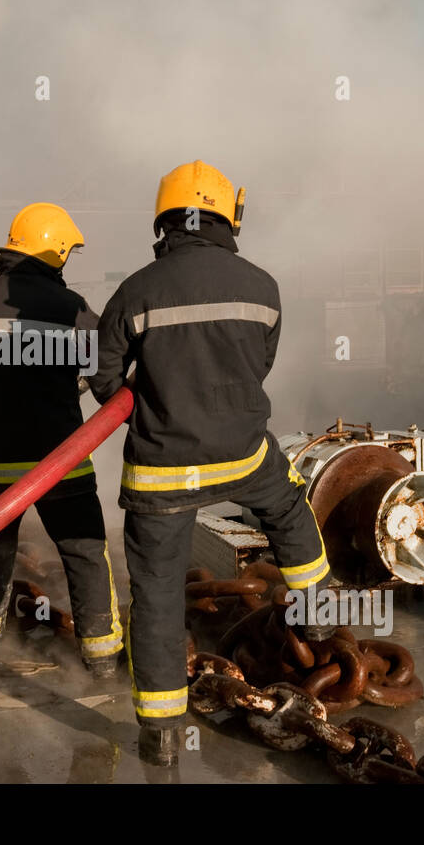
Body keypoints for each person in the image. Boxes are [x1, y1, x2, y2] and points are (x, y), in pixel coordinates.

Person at [90, 160, 335, 767]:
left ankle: (162, 731)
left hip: (163, 471)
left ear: (165, 219)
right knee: (289, 510)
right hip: (243, 454)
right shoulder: (263, 285)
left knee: (157, 593)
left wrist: (158, 393)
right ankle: (320, 620)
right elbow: (260, 363)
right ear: (228, 216)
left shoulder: (135, 291)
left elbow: (101, 381)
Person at [0, 202, 124, 678]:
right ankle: (102, 656)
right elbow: (105, 367)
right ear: (58, 253)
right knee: (84, 549)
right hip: (59, 459)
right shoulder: (74, 309)